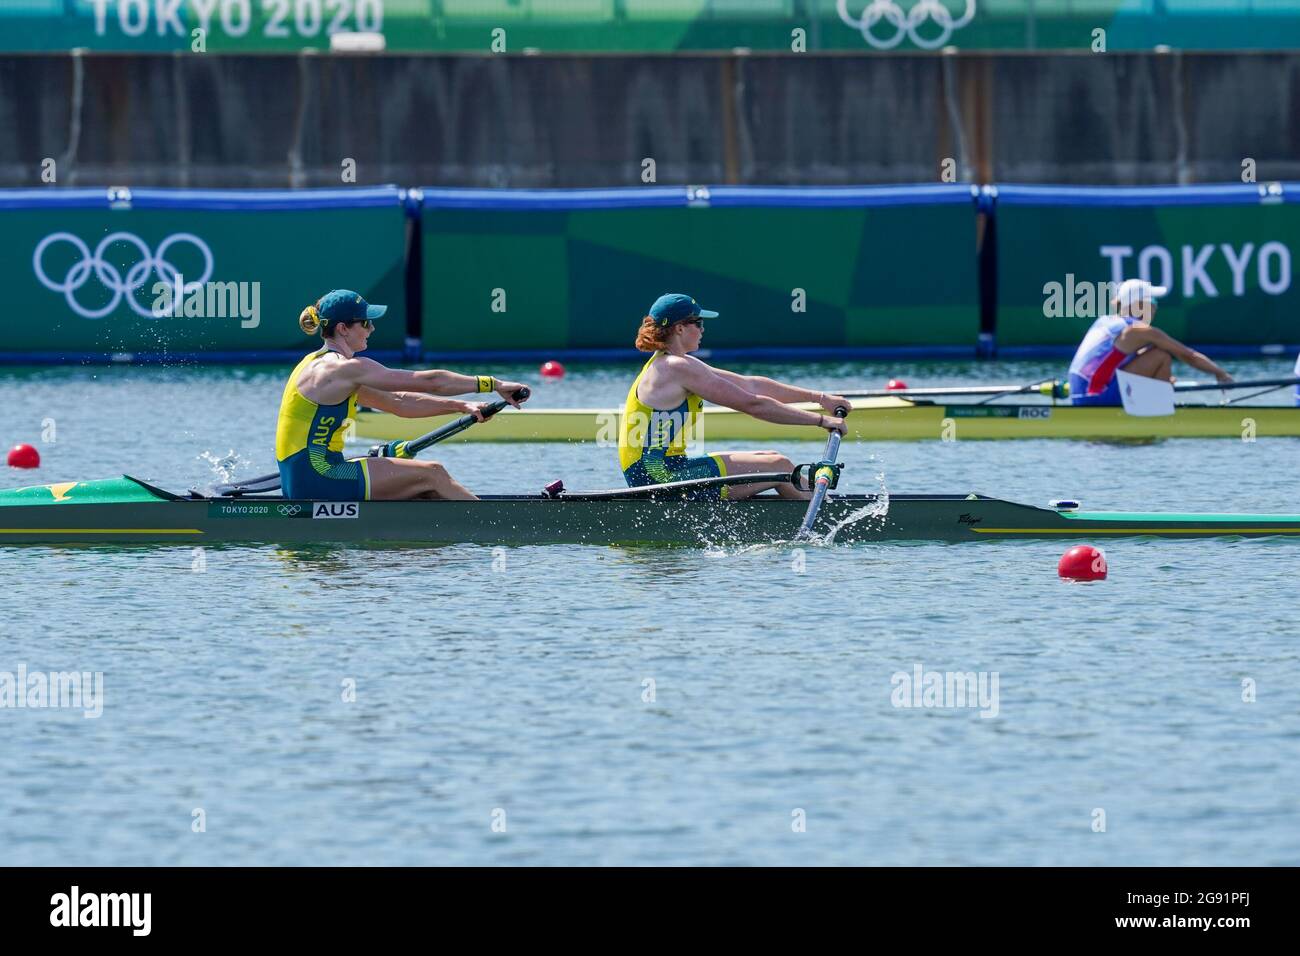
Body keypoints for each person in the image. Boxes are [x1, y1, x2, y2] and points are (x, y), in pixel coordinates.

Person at [275, 289, 527, 501]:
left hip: (304, 477)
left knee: (419, 485)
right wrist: (494, 384)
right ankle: (495, 526)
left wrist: (463, 406)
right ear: (343, 329)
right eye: (365, 322)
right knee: (434, 474)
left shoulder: (316, 365)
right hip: (320, 476)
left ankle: (417, 544)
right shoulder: (343, 368)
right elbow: (430, 382)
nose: (371, 328)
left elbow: (398, 402)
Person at [618, 294, 850, 500]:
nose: (702, 330)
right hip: (659, 478)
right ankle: (823, 526)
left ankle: (807, 508)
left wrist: (820, 398)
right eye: (698, 323)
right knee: (781, 467)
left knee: (770, 457)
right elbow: (753, 404)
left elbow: (750, 384)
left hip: (659, 471)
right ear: (679, 328)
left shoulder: (674, 362)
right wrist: (821, 421)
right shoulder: (677, 367)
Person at [1068, 278, 1233, 405]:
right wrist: (1220, 373)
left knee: (1152, 354)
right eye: (1152, 302)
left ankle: (1149, 405)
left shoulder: (1105, 321)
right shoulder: (1137, 330)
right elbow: (1187, 355)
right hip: (1096, 398)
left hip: (1079, 394)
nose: (1156, 308)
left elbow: (1117, 362)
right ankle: (1157, 411)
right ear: (1139, 304)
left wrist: (1158, 377)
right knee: (1161, 356)